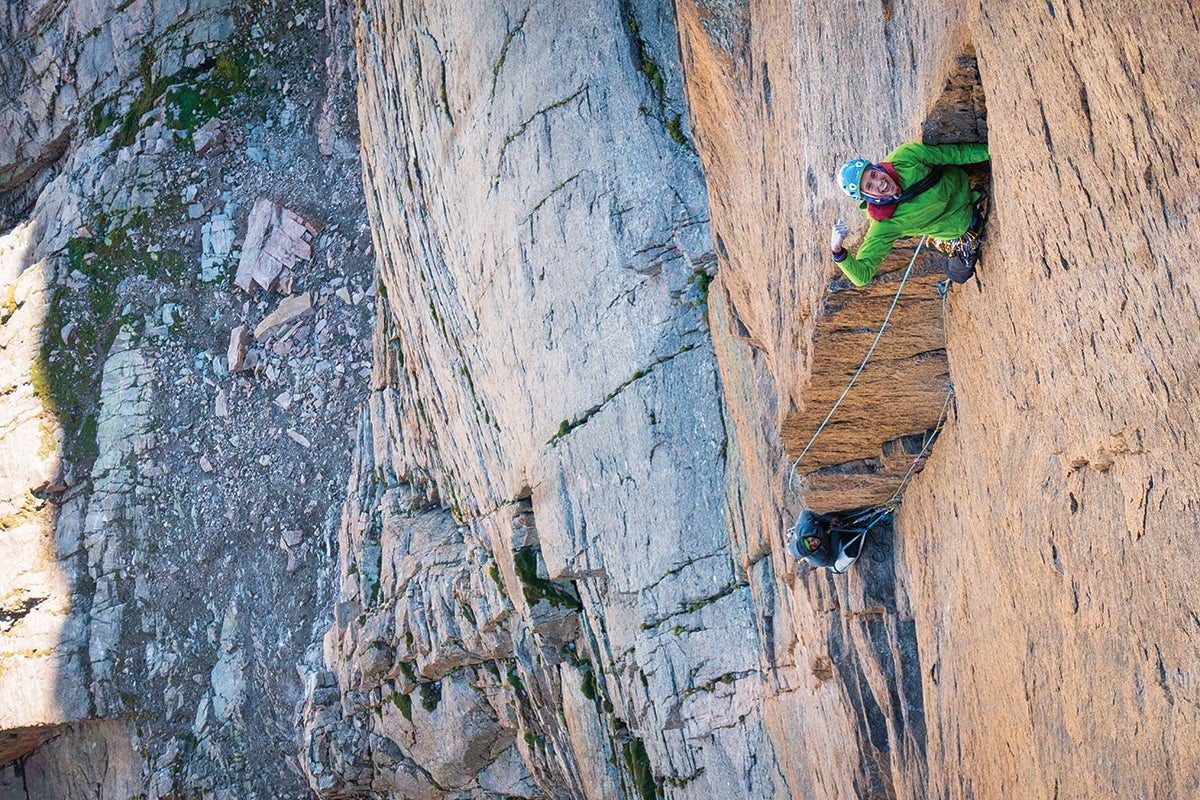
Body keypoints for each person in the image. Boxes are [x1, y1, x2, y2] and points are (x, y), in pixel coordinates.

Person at [830, 141, 990, 286]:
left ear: (877, 167)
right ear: (867, 198)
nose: (880, 183)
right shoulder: (883, 224)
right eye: (870, 186)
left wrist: (991, 149)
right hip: (960, 222)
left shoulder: (905, 157)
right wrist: (838, 252)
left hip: (962, 221)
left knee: (957, 273)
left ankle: (950, 253)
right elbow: (862, 276)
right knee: (958, 275)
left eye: (874, 174)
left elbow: (953, 153)